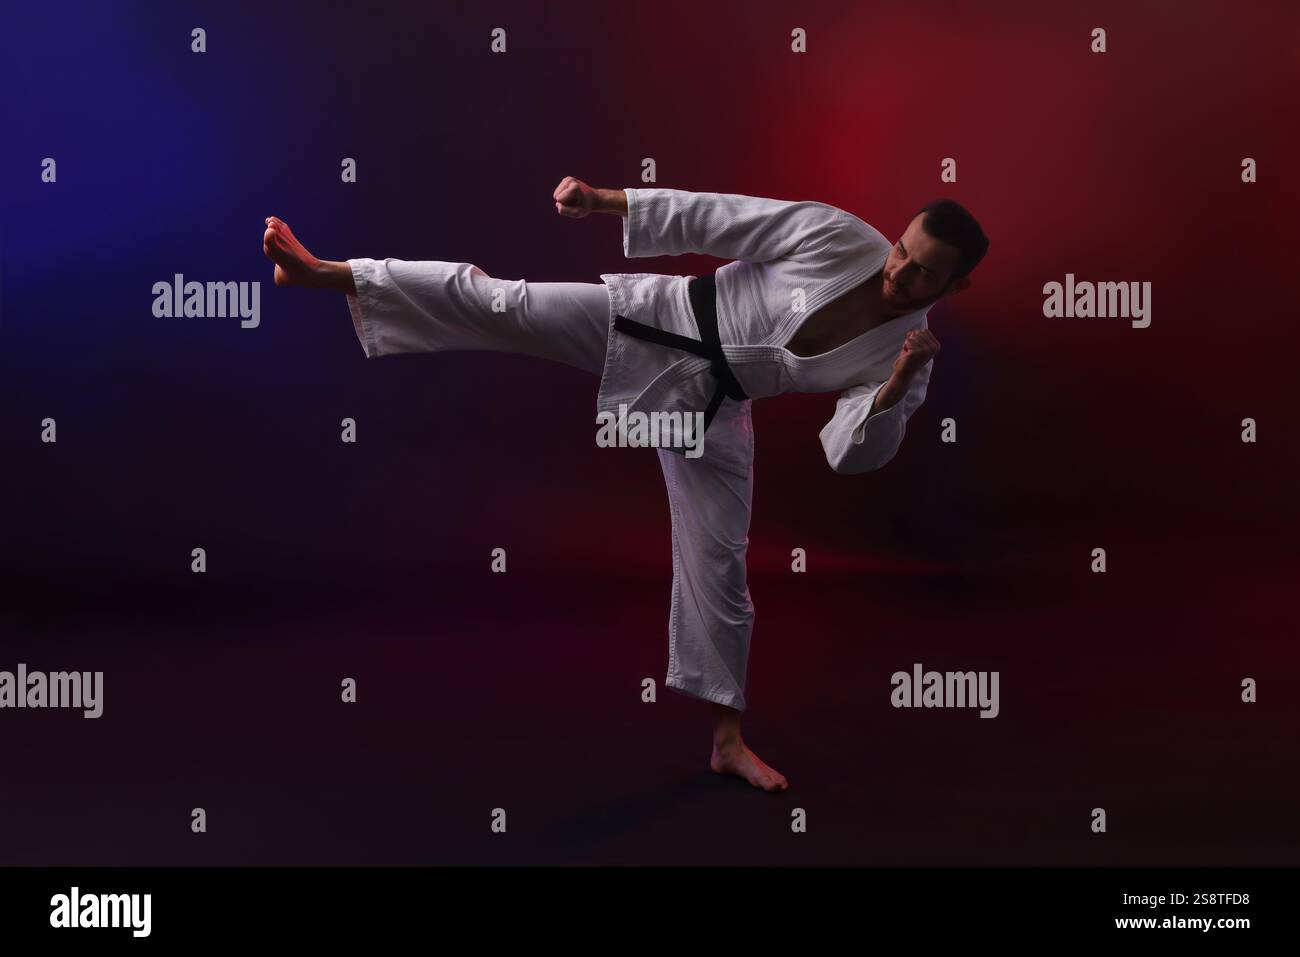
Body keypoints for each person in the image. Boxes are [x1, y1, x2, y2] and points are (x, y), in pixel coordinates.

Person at [262, 178, 989, 792]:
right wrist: (606, 201)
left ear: (955, 286)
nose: (899, 273)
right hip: (655, 319)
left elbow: (851, 452)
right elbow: (720, 214)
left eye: (925, 273)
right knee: (506, 301)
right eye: (902, 250)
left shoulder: (908, 354)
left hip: (712, 406)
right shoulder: (838, 237)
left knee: (720, 566)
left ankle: (726, 741)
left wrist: (894, 384)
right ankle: (332, 272)